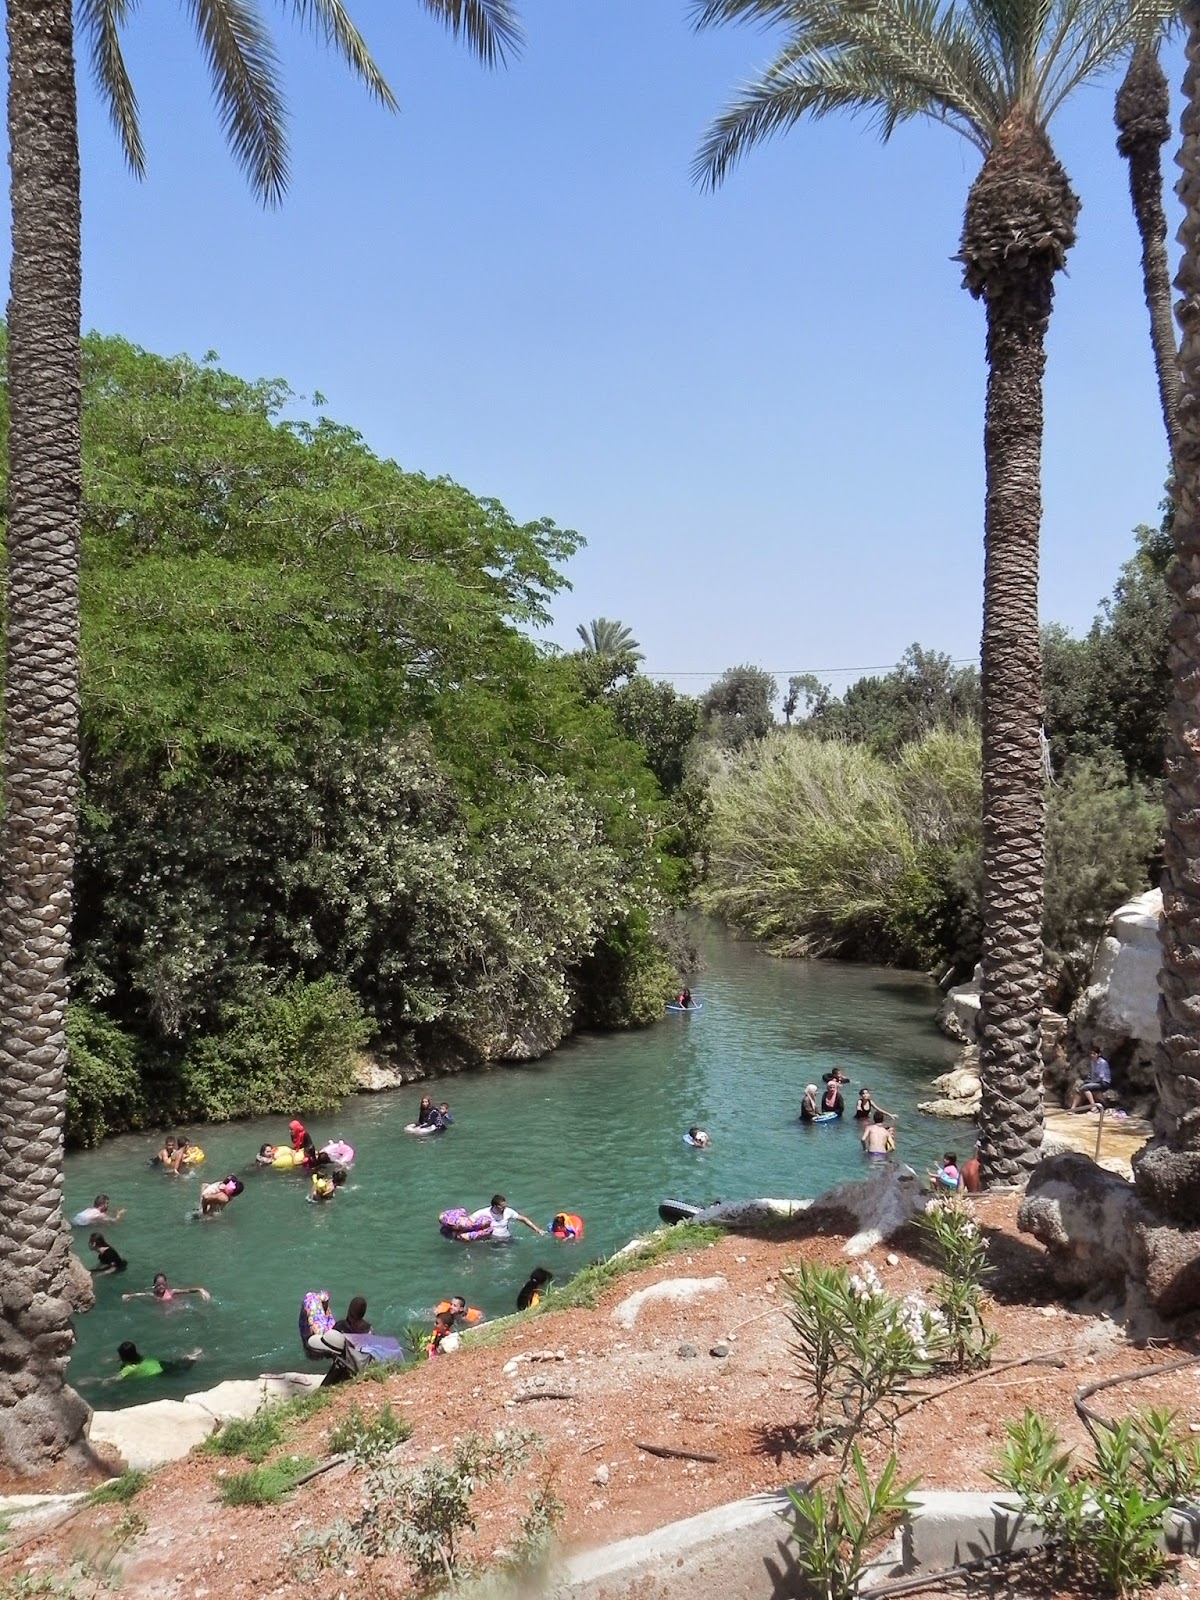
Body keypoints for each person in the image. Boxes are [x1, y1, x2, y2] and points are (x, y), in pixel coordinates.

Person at [468, 1194, 544, 1240]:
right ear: (495, 1206)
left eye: (505, 1206)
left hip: (507, 1238)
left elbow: (524, 1219)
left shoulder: (508, 1211)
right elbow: (469, 1220)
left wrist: (537, 1230)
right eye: (502, 1207)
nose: (504, 1209)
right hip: (491, 1240)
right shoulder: (483, 1212)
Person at [116, 1341, 201, 1380]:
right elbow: (128, 1359)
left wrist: (103, 1381)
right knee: (176, 1364)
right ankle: (191, 1356)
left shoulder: (128, 1369)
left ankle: (194, 1358)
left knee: (183, 1370)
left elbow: (115, 1379)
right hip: (160, 1364)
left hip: (162, 1372)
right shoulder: (138, 1357)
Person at [123, 1272, 210, 1304]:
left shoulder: (172, 1292)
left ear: (166, 1284)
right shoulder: (153, 1294)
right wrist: (129, 1295)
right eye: (158, 1284)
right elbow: (141, 1294)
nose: (161, 1286)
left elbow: (187, 1290)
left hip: (179, 1308)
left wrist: (200, 1290)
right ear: (154, 1285)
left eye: (163, 1284)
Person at [1070, 1047, 1113, 1112]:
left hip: (1103, 1082)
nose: (1092, 1055)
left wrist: (1092, 1082)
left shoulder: (1103, 1063)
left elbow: (1101, 1077)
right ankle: (1073, 1108)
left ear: (1098, 1054)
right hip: (1095, 1081)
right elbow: (1093, 1075)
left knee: (1085, 1088)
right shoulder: (1092, 1062)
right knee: (1078, 1087)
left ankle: (1093, 1106)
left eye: (1094, 1054)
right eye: (1091, 1054)